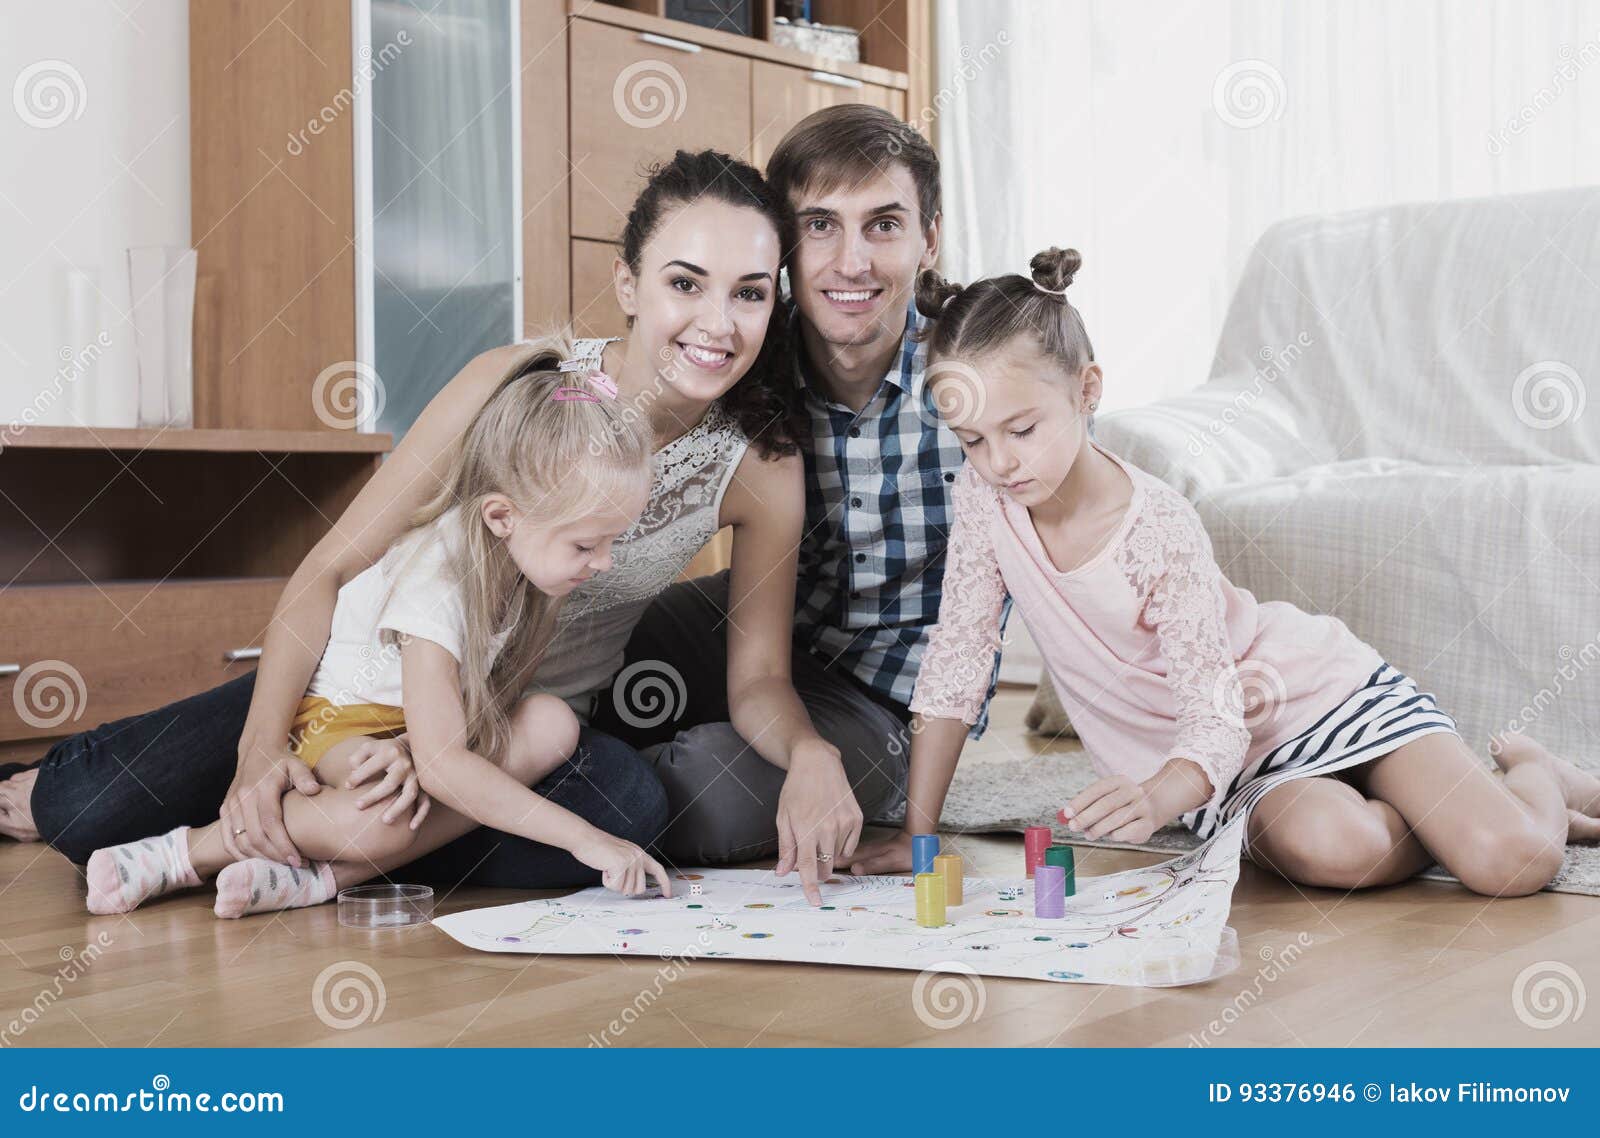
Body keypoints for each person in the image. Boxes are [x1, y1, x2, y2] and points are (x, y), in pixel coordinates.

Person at [9, 150, 833, 896]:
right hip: (361, 686)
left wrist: (811, 754)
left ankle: (324, 846)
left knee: (626, 804)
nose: (718, 323)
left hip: (510, 731)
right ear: (628, 284)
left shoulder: (760, 463)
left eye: (749, 293)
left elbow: (758, 678)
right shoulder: (519, 386)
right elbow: (329, 570)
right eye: (685, 283)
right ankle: (322, 833)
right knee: (81, 807)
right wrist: (261, 751)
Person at [847, 246, 1600, 896]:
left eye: (1021, 429)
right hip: (1230, 767)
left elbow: (1213, 709)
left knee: (1513, 863)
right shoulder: (985, 503)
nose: (1000, 463)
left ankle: (1533, 775)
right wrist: (920, 835)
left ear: (1087, 391)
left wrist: (1156, 797)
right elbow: (957, 663)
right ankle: (1444, 810)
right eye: (973, 440)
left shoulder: (1159, 525)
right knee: (1340, 849)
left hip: (1311, 696)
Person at [594, 105, 1012, 886]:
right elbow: (622, 380)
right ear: (782, 244)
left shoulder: (984, 384)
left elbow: (1020, 603)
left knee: (706, 793)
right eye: (820, 225)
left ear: (929, 239)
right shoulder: (738, 337)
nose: (851, 262)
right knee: (588, 659)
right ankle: (516, 768)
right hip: (750, 625)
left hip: (882, 700)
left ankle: (570, 792)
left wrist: (920, 831)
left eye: (883, 225)